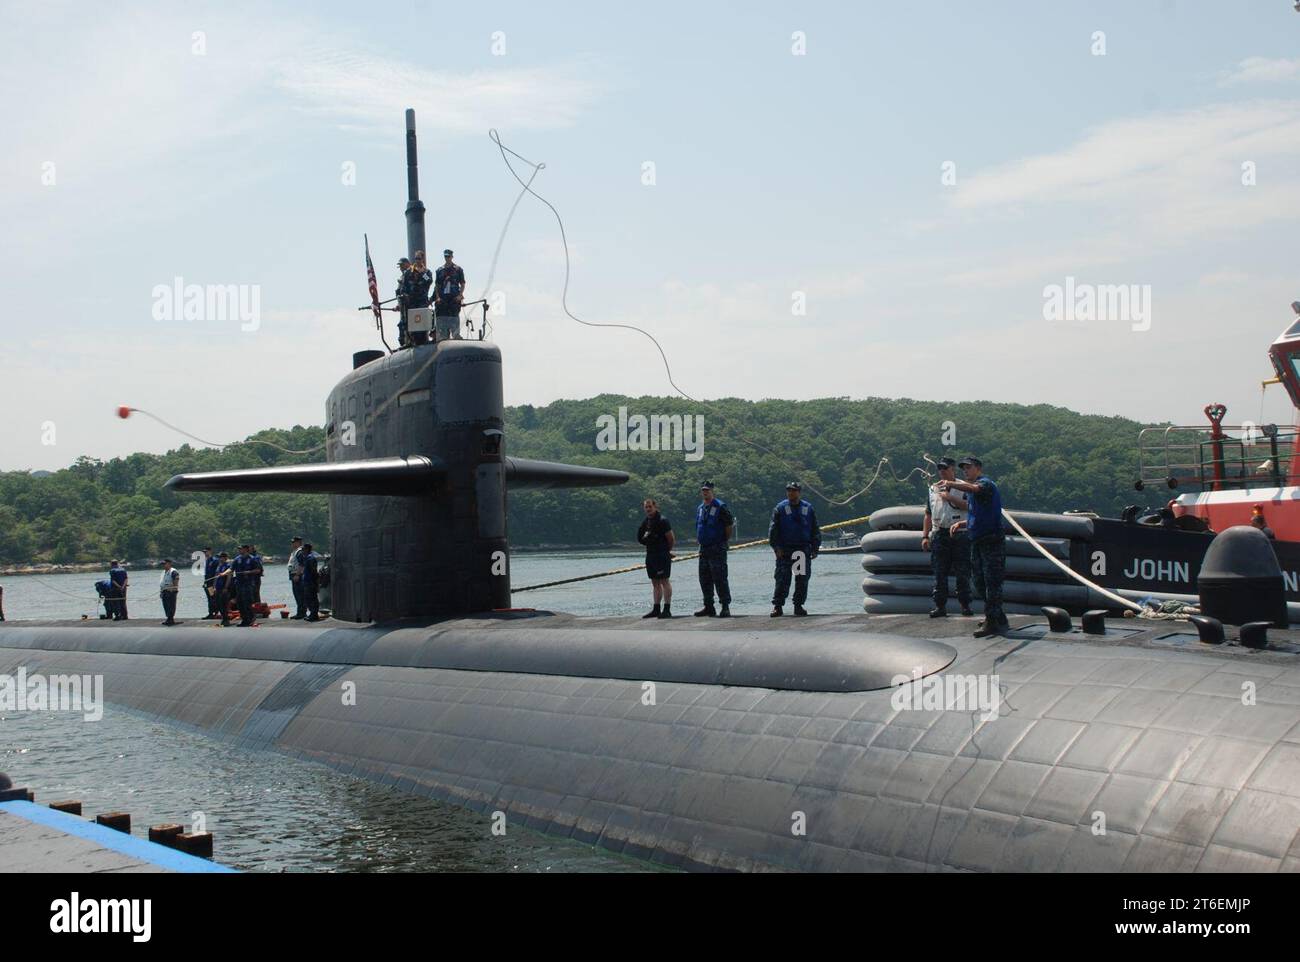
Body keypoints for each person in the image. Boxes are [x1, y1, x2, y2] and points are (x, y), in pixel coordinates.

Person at [942, 456, 1007, 638]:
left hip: (991, 542)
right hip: (977, 541)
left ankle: (992, 620)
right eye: (964, 468)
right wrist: (963, 524)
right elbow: (976, 514)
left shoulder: (985, 485)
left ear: (978, 469)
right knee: (978, 581)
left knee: (991, 582)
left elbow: (973, 488)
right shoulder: (972, 494)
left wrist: (951, 484)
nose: (966, 471)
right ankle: (997, 616)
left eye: (969, 468)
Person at [923, 457, 974, 618]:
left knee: (962, 572)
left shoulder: (964, 487)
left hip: (960, 533)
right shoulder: (933, 489)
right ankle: (940, 606)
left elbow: (971, 507)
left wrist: (950, 497)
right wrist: (925, 536)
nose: (942, 471)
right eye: (940, 469)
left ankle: (965, 605)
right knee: (939, 572)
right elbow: (928, 514)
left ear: (953, 469)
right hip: (939, 533)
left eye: (945, 468)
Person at [768, 482, 820, 617]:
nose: (791, 493)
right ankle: (777, 606)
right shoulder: (780, 508)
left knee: (801, 579)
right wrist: (776, 547)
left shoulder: (807, 508)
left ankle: (798, 605)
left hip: (801, 550)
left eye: (794, 490)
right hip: (785, 550)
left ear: (799, 492)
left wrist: (815, 548)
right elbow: (773, 530)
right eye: (789, 490)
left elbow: (814, 529)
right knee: (782, 579)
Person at [693, 481, 733, 617]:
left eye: (708, 490)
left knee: (720, 577)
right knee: (704, 578)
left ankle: (725, 606)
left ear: (712, 491)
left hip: (717, 547)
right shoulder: (700, 508)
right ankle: (708, 606)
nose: (705, 492)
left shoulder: (720, 506)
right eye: (703, 490)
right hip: (704, 548)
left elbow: (728, 525)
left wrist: (723, 541)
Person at [636, 498, 675, 618]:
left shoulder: (663, 521)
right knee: (655, 582)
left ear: (655, 507)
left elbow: (671, 538)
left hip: (662, 554)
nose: (648, 509)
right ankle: (656, 608)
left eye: (650, 507)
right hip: (651, 554)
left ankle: (667, 609)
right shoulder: (646, 522)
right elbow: (640, 537)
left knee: (664, 581)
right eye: (646, 507)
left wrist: (667, 551)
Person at [433, 249, 465, 342]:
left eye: (448, 256)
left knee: (454, 315)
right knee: (443, 316)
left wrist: (460, 295)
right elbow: (437, 286)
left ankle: (456, 334)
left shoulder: (458, 269)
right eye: (445, 256)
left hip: (454, 296)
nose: (447, 258)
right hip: (443, 297)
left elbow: (462, 283)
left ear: (452, 257)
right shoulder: (439, 270)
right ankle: (444, 335)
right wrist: (438, 297)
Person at [231, 544, 259, 627]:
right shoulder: (237, 559)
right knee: (240, 602)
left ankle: (251, 619)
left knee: (248, 602)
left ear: (246, 549)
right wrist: (224, 573)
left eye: (241, 549)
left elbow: (258, 570)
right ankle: (244, 619)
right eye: (239, 549)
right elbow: (231, 569)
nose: (239, 550)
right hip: (239, 584)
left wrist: (249, 572)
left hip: (248, 584)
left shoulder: (252, 559)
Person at [395, 257, 413, 346]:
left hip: (411, 306)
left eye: (402, 265)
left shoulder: (413, 274)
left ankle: (410, 341)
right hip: (403, 306)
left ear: (407, 264)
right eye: (400, 266)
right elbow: (399, 292)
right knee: (402, 325)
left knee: (410, 324)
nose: (401, 267)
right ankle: (404, 343)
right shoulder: (402, 277)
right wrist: (398, 304)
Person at [301, 542, 321, 621]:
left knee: (312, 599)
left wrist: (316, 583)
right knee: (308, 599)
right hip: (307, 582)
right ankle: (312, 614)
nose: (302, 551)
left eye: (303, 549)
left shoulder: (311, 559)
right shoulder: (307, 558)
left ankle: (314, 615)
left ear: (306, 550)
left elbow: (314, 572)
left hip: (310, 583)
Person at [287, 536, 306, 619]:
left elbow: (302, 565)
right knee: (297, 595)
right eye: (292, 542)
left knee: (300, 595)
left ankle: (302, 613)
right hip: (293, 575)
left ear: (299, 543)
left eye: (294, 542)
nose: (293, 544)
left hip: (298, 576)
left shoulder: (300, 552)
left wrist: (298, 575)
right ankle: (299, 612)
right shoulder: (294, 552)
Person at [213, 552, 234, 626]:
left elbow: (229, 577)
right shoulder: (219, 566)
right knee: (219, 604)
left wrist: (226, 587)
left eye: (220, 557)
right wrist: (214, 587)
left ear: (225, 558)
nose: (219, 558)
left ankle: (226, 619)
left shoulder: (228, 566)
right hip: (218, 588)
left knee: (224, 604)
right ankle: (223, 618)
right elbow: (216, 577)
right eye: (219, 557)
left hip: (223, 588)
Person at [159, 560, 180, 625]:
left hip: (171, 591)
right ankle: (168, 618)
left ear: (169, 564)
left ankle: (171, 619)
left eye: (165, 564)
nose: (163, 565)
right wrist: (161, 591)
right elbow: (162, 582)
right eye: (163, 564)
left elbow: (176, 580)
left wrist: (174, 588)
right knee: (166, 605)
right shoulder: (163, 572)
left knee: (171, 605)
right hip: (164, 591)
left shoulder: (173, 571)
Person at [202, 547, 220, 618]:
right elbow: (206, 573)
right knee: (210, 598)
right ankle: (211, 613)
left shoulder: (215, 560)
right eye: (204, 552)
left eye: (206, 552)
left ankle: (215, 612)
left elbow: (217, 572)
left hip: (213, 582)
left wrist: (214, 584)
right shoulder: (207, 560)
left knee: (213, 598)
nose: (205, 553)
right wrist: (205, 582)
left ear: (210, 551)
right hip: (208, 582)